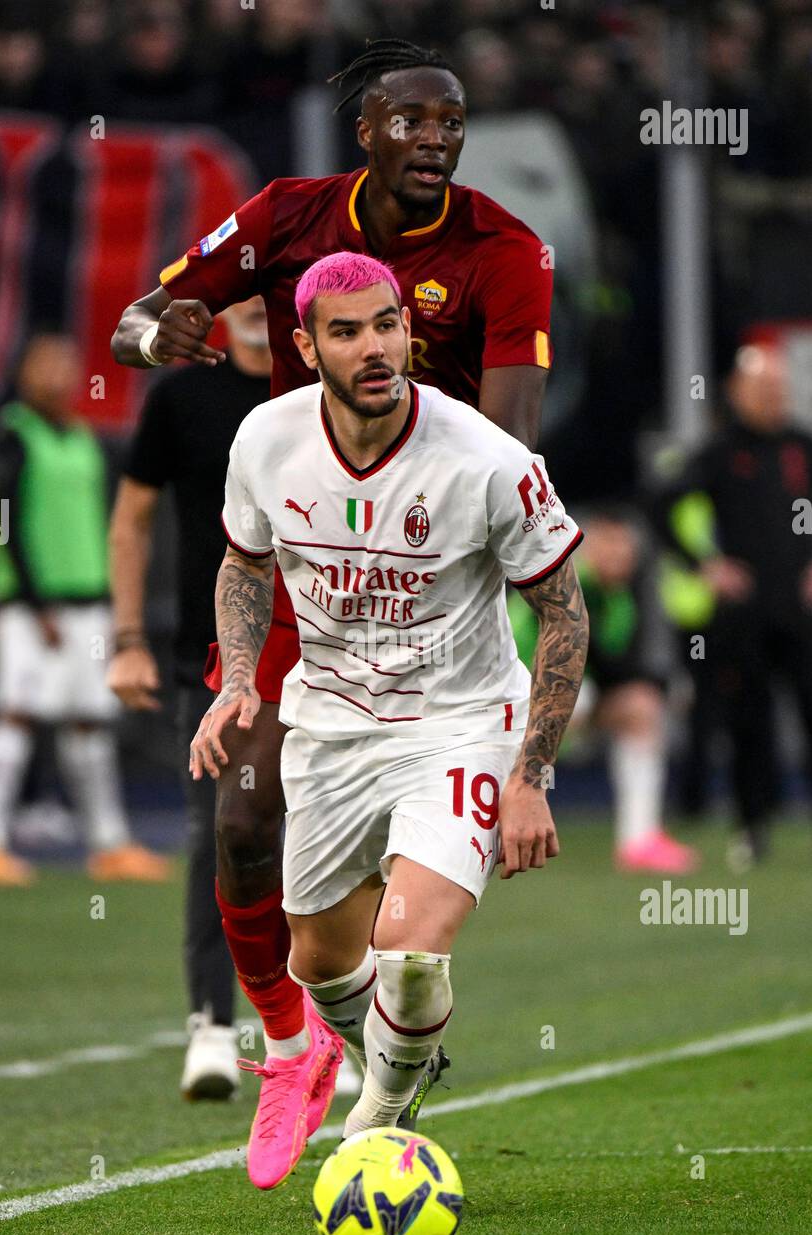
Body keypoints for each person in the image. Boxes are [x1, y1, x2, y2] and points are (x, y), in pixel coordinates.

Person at [110, 39, 555, 1177]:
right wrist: (169, 329)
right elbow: (140, 321)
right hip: (306, 562)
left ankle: (382, 1067)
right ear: (367, 131)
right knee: (241, 819)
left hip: (427, 573)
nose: (434, 144)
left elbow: (509, 443)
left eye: (450, 126)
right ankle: (288, 1045)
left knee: (389, 930)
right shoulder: (286, 217)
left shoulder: (504, 251)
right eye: (410, 123)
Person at [189, 253, 587, 1188]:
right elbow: (244, 562)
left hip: (460, 723)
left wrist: (529, 776)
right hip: (330, 730)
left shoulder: (489, 461)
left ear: (409, 327)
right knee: (323, 964)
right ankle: (379, 1057)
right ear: (305, 345)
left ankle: (377, 1128)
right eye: (347, 331)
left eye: (388, 324)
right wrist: (238, 675)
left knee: (408, 958)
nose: (375, 348)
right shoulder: (265, 440)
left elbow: (563, 611)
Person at [106, 297, 271, 1100]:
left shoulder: (320, 392)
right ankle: (211, 1026)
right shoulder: (178, 396)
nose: (248, 305)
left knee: (337, 843)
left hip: (324, 661)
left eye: (264, 285)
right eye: (233, 289)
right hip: (202, 667)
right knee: (220, 840)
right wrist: (127, 638)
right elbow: (132, 519)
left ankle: (331, 1026)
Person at [0, 333, 169, 886]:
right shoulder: (9, 434)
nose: (57, 376)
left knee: (90, 722)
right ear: (24, 371)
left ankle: (109, 844)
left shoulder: (82, 437)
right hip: (32, 607)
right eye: (45, 365)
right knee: (15, 714)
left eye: (66, 365)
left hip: (88, 601)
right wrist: (17, 596)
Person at [652, 344, 812, 866]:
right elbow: (658, 502)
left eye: (778, 387)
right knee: (749, 724)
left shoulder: (806, 447)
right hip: (744, 614)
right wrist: (704, 564)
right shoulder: (720, 452)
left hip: (805, 609)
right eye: (761, 388)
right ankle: (754, 828)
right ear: (736, 393)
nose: (772, 397)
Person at [564, 510, 697, 873]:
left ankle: (638, 841)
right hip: (512, 698)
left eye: (628, 552)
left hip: (572, 700)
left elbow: (613, 667)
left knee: (640, 708)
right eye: (613, 549)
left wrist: (662, 685)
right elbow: (580, 656)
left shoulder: (620, 600)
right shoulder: (569, 584)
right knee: (581, 695)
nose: (623, 559)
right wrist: (666, 682)